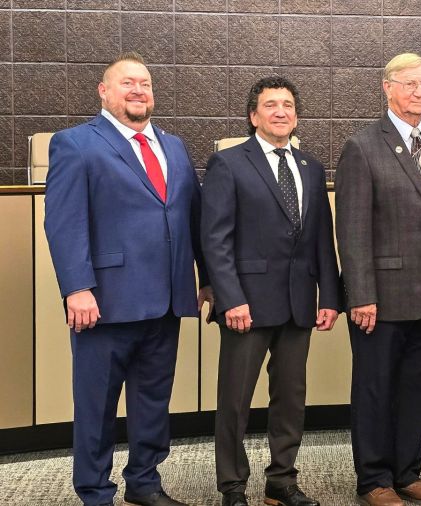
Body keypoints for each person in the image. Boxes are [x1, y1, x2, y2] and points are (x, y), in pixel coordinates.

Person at [44, 51, 212, 506]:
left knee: (153, 400)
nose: (138, 91)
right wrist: (77, 287)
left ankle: (145, 481)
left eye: (145, 84)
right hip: (105, 302)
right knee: (96, 406)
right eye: (127, 83)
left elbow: (194, 219)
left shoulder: (174, 146)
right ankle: (95, 491)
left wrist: (208, 278)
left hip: (168, 300)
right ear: (103, 90)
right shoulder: (75, 143)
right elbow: (63, 222)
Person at [201, 76, 340, 506]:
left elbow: (321, 237)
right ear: (253, 115)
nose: (281, 112)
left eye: (288, 105)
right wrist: (230, 298)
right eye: (271, 105)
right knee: (235, 401)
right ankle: (233, 487)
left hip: (299, 303)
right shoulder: (229, 163)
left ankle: (282, 480)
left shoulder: (311, 167)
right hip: (247, 304)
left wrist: (331, 297)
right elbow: (215, 239)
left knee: (291, 399)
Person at [335, 53, 421, 506]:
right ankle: (374, 479)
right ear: (386, 88)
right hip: (380, 300)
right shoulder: (363, 146)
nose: (419, 93)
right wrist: (360, 294)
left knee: (417, 390)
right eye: (410, 84)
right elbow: (351, 228)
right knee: (374, 389)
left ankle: (407, 471)